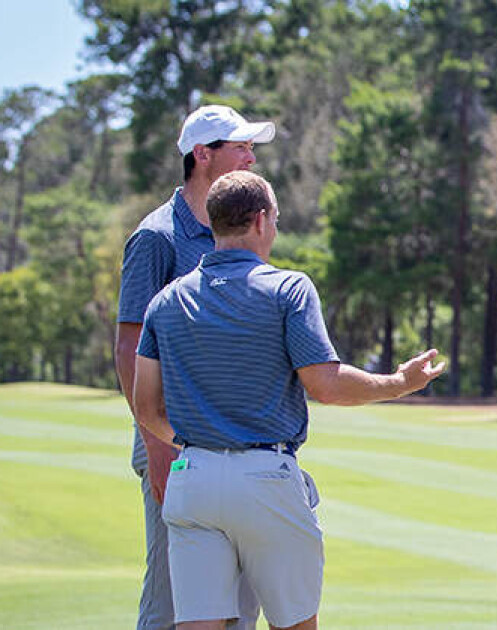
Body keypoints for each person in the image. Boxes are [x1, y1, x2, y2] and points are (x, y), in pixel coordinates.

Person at [132, 171, 445, 630]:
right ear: (261, 220)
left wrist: (194, 443)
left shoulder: (164, 301)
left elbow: (146, 408)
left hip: (192, 478)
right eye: (275, 219)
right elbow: (324, 384)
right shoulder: (288, 289)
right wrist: (398, 382)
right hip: (266, 478)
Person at [115, 104, 274, 630]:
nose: (251, 158)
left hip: (237, 443)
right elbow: (130, 346)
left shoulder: (242, 232)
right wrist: (157, 447)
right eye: (240, 147)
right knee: (173, 602)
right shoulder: (157, 237)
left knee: (238, 605)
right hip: (174, 443)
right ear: (202, 155)